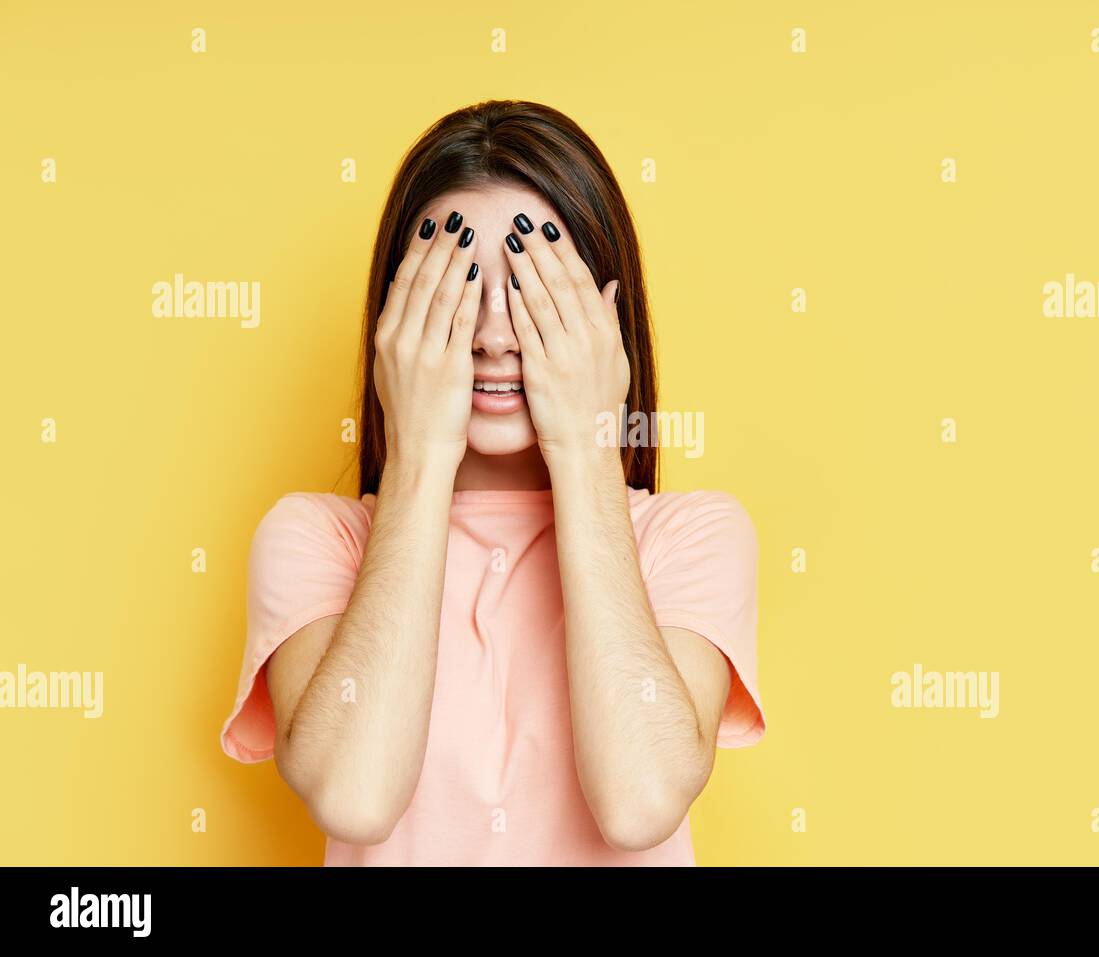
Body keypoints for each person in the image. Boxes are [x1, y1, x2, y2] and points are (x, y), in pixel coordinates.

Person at [219, 100, 765, 865]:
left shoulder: (691, 536)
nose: (494, 334)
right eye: (455, 287)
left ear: (608, 317)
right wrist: (416, 456)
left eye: (538, 290)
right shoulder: (314, 539)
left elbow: (641, 801)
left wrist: (584, 445)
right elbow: (354, 794)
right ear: (392, 318)